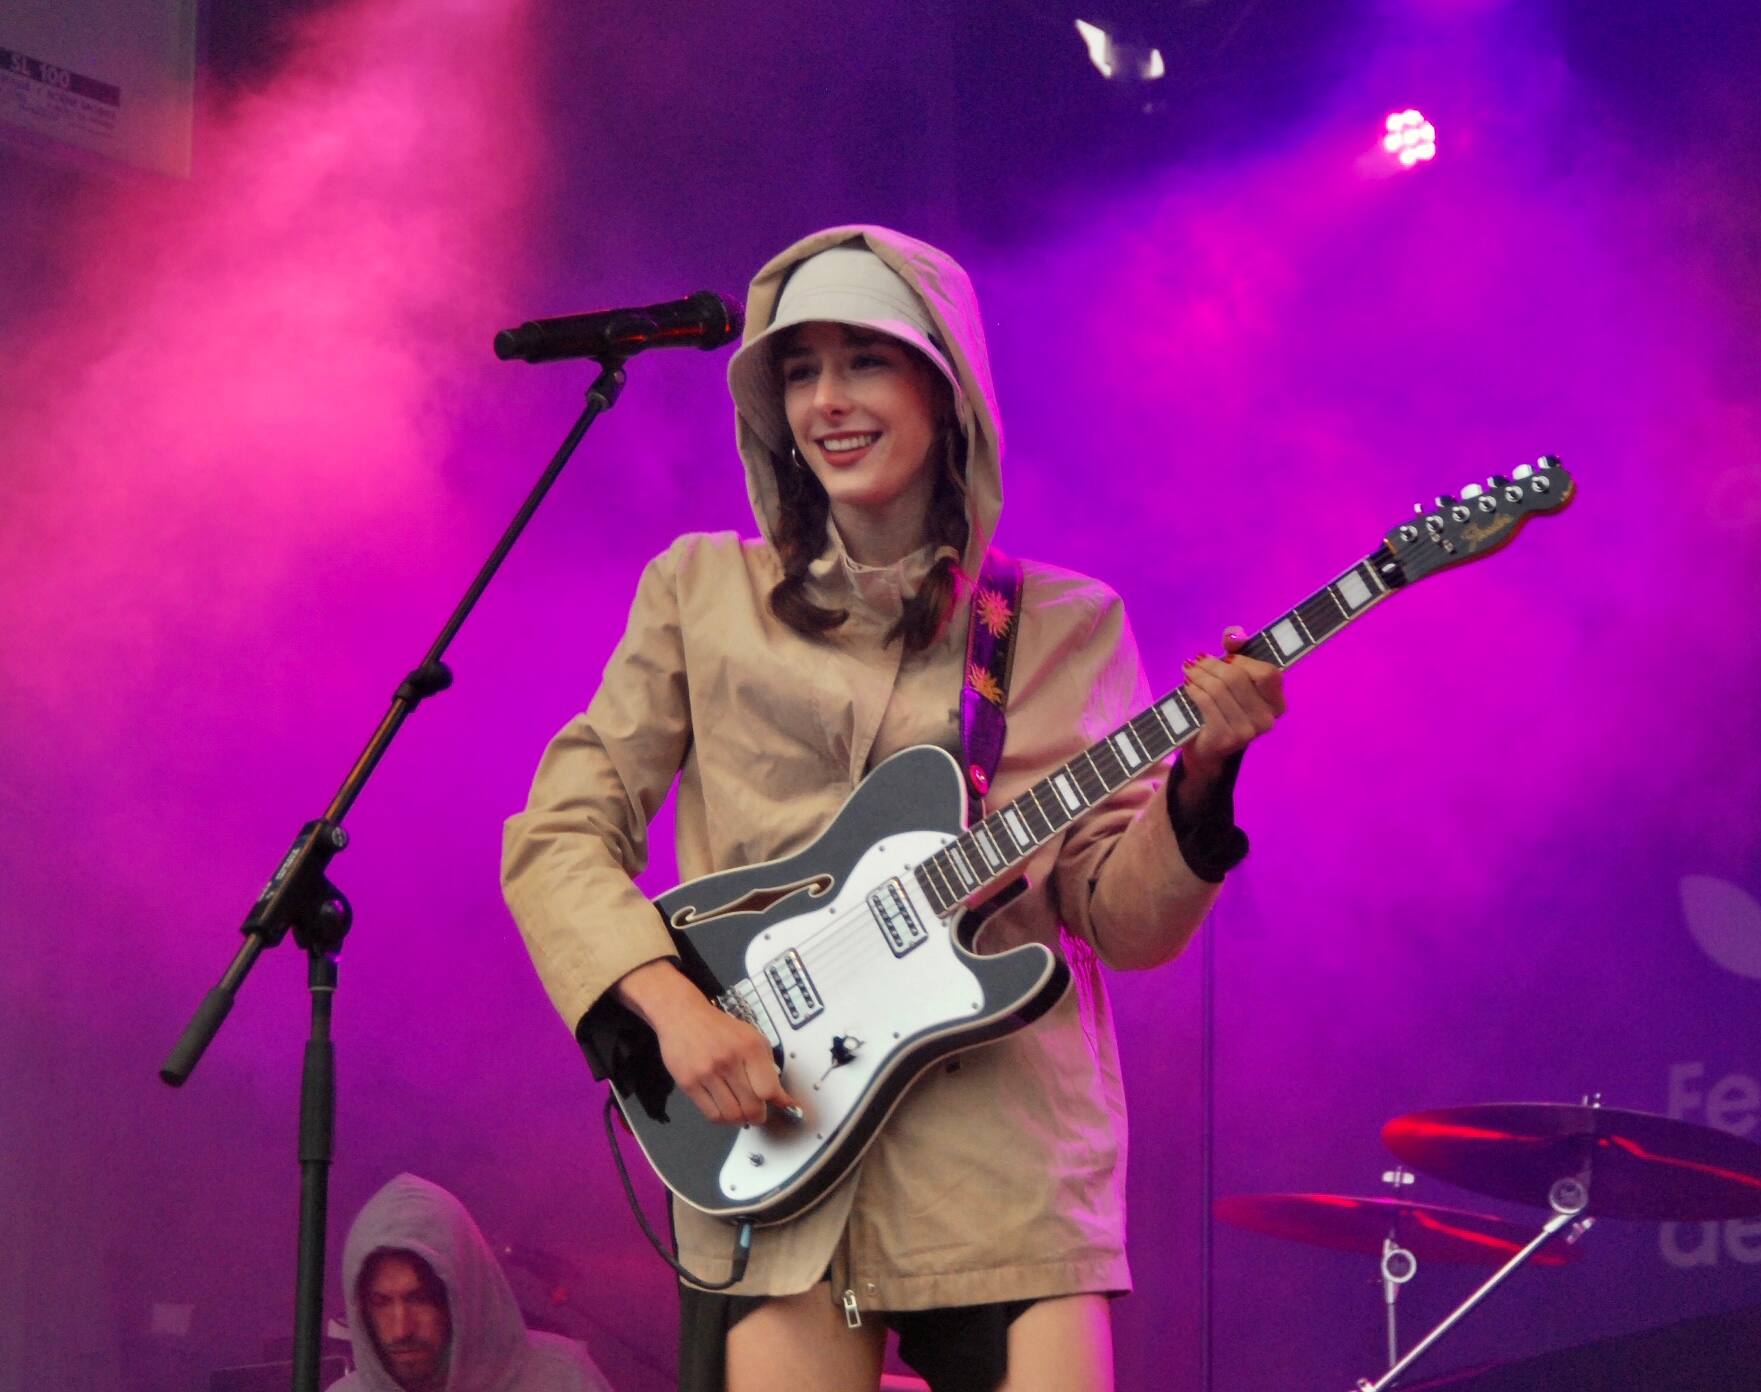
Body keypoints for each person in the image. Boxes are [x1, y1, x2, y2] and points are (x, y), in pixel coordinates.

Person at [501, 226, 1284, 1392]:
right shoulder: (697, 592)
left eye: (864, 361)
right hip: (772, 1129)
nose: (828, 401)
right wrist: (673, 1009)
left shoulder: (1065, 625)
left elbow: (1124, 924)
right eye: (800, 370)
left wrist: (1203, 780)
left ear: (944, 384)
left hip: (999, 1164)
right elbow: (560, 832)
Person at [331, 1173, 615, 1392]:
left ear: (462, 1293)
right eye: (381, 1303)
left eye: (419, 1299)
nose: (401, 1328)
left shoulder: (561, 1379)